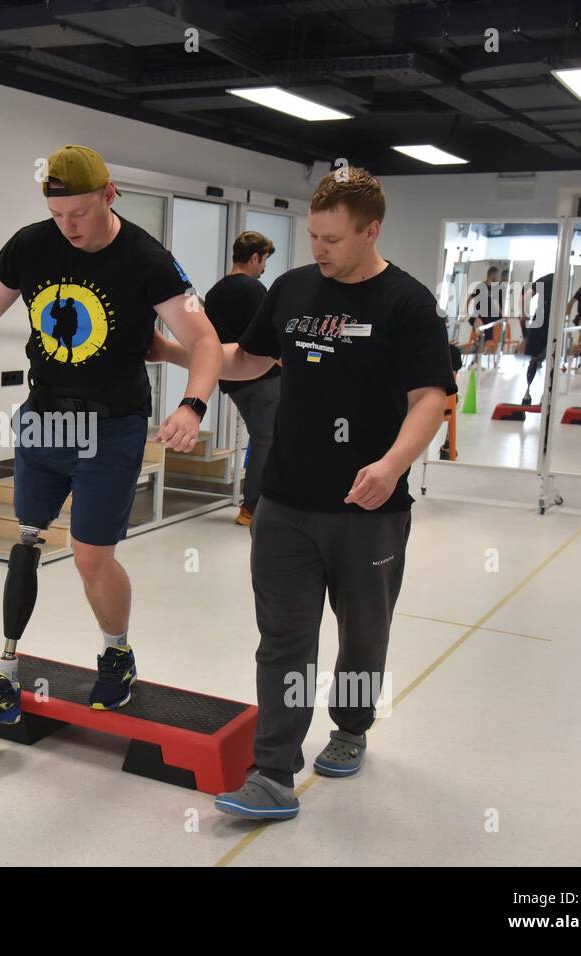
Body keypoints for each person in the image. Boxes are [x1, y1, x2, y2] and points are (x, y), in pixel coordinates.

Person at [150, 167, 455, 820]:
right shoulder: (290, 288)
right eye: (313, 236)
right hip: (285, 499)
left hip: (369, 508)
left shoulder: (406, 304)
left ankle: (350, 726)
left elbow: (433, 397)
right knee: (284, 639)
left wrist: (394, 464)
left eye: (333, 239)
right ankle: (273, 773)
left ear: (371, 231)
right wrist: (175, 354)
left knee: (362, 633)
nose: (318, 249)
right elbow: (247, 360)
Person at [0, 144, 221, 727]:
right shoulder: (30, 245)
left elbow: (203, 340)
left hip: (112, 424)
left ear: (109, 194)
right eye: (57, 215)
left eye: (78, 212)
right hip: (45, 416)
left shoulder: (147, 259)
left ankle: (117, 653)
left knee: (89, 556)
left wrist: (193, 404)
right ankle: (6, 673)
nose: (68, 227)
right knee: (25, 540)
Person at [203, 231, 282, 527]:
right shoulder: (255, 289)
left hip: (232, 379)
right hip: (262, 378)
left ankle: (257, 501)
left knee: (262, 438)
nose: (264, 268)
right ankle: (252, 507)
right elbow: (268, 335)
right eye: (263, 261)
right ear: (254, 257)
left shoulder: (214, 293)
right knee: (267, 439)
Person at [521, 272, 554, 404]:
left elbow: (526, 296)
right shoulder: (561, 279)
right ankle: (544, 396)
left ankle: (527, 393)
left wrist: (523, 313)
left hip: (540, 319)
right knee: (549, 360)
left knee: (535, 359)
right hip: (551, 322)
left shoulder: (547, 278)